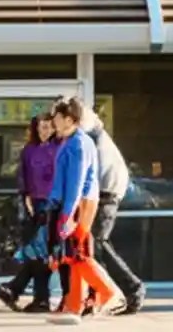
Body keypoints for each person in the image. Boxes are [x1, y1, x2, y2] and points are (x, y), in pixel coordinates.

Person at [57, 101, 146, 315]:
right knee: (92, 246)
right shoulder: (93, 136)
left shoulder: (86, 137)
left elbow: (84, 175)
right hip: (105, 192)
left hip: (104, 193)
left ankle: (129, 289)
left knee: (95, 244)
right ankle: (94, 297)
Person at [45, 97, 123, 325]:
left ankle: (108, 292)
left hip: (80, 203)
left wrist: (67, 214)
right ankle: (74, 306)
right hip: (76, 202)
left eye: (57, 117)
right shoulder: (72, 141)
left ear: (70, 119)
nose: (54, 121)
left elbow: (76, 183)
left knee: (77, 254)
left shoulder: (78, 143)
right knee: (73, 256)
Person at [0, 114, 58, 313]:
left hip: (53, 204)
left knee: (41, 252)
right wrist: (26, 197)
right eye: (41, 127)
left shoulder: (58, 149)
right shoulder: (29, 150)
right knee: (37, 251)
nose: (44, 131)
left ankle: (21, 290)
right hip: (34, 204)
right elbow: (23, 176)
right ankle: (33, 295)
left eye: (48, 127)